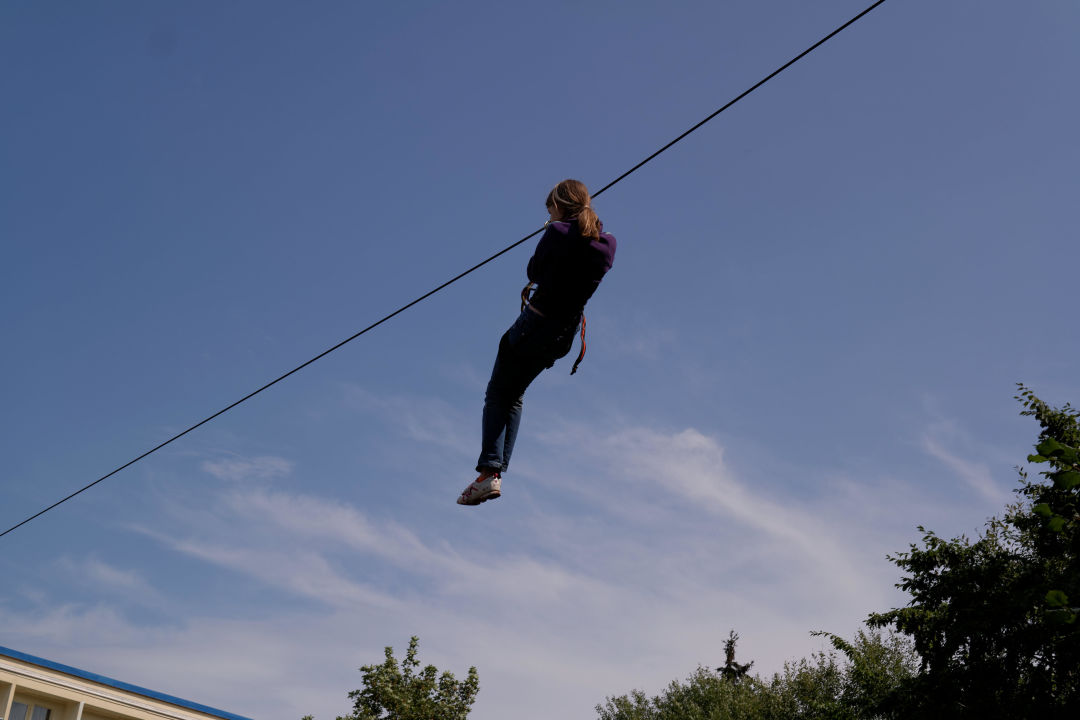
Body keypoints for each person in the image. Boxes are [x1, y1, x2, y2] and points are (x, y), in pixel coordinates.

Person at [458, 179, 617, 506]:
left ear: (559, 206)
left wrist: (553, 229)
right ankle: (494, 475)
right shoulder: (608, 244)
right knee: (513, 395)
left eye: (550, 210)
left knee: (498, 392)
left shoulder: (557, 233)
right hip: (563, 337)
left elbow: (534, 270)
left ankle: (490, 471)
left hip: (536, 324)